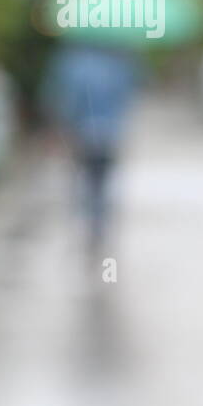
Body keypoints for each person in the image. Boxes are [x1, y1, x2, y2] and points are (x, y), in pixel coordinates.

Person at [44, 42, 140, 253]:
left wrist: (59, 130)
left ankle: (85, 222)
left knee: (80, 178)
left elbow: (61, 99)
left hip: (81, 134)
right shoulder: (118, 64)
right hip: (109, 134)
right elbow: (129, 95)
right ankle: (98, 226)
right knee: (101, 182)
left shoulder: (71, 63)